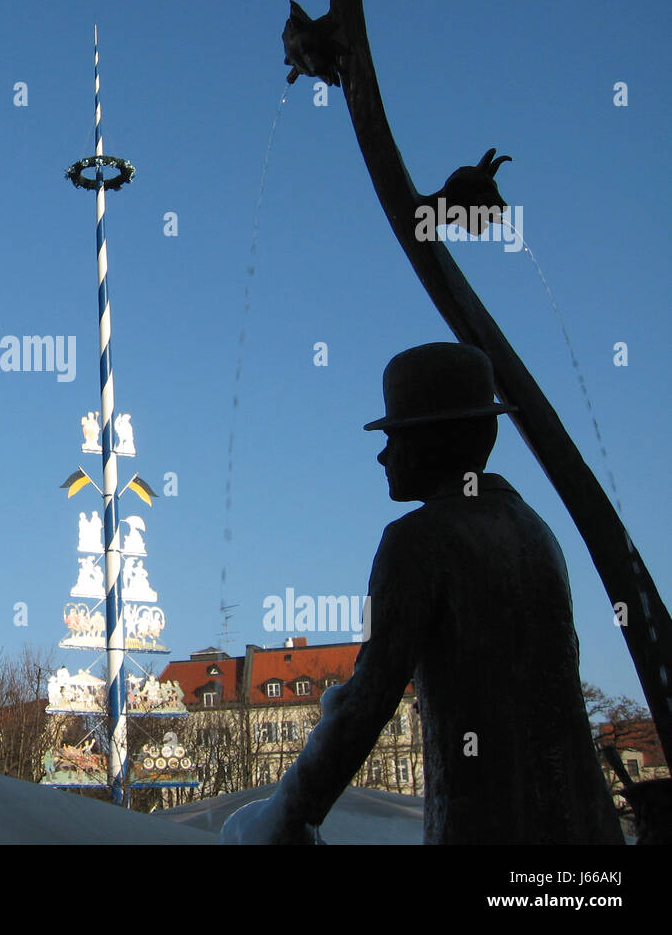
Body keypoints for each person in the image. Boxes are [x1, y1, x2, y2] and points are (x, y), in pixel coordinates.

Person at [225, 343, 623, 844]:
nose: (382, 454)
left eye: (394, 437)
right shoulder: (533, 530)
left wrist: (285, 817)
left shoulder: (419, 538)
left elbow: (368, 698)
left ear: (434, 441)